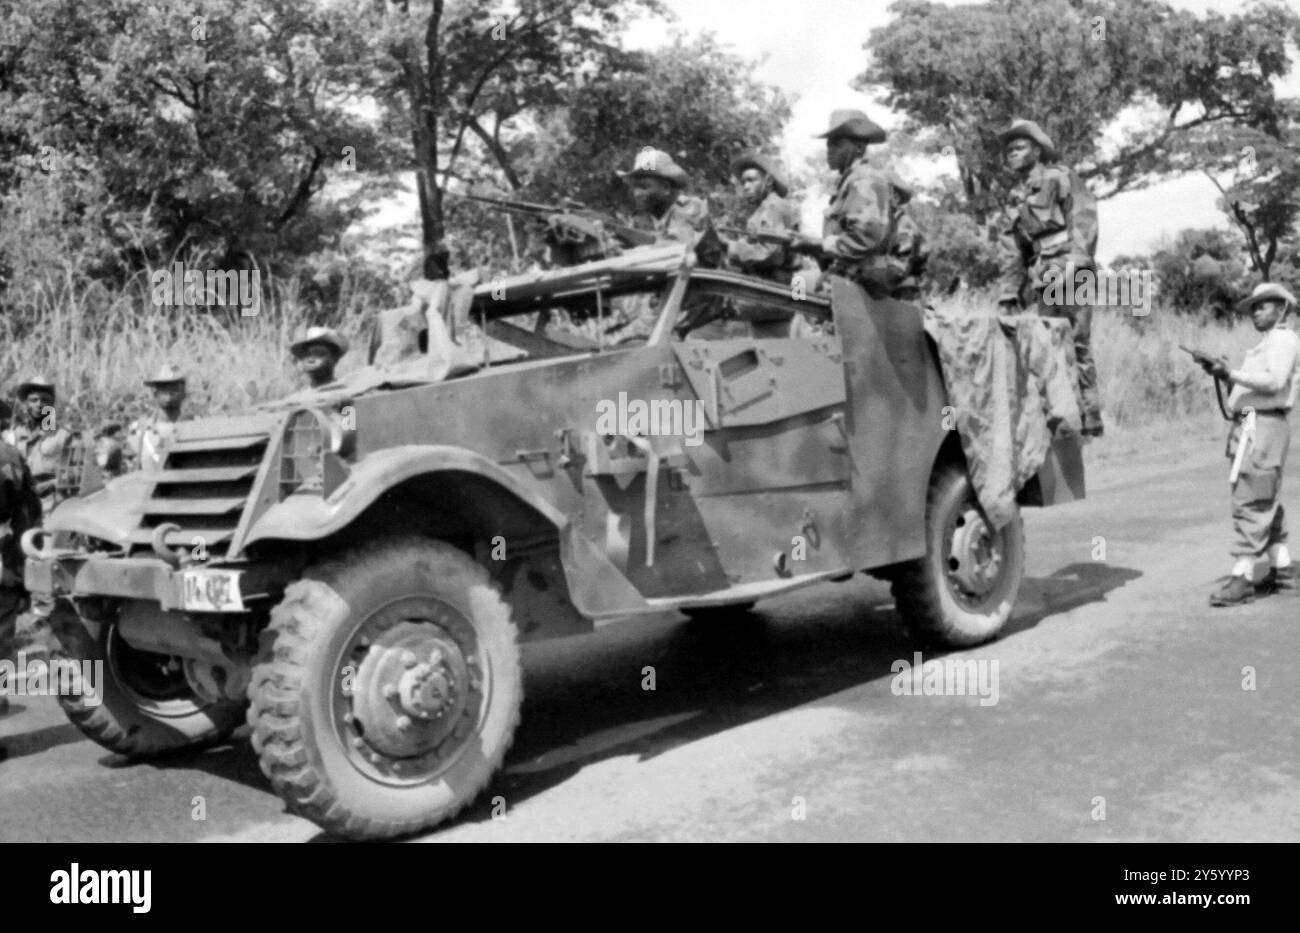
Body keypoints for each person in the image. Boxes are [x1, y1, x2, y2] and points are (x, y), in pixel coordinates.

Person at [996, 119, 1103, 436]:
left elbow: (1084, 218)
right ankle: (1065, 416)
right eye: (1009, 150)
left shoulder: (1060, 176)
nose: (1012, 154)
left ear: (1037, 150)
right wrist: (1008, 294)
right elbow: (1012, 249)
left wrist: (1076, 265)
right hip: (1044, 276)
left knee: (1078, 341)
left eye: (1019, 147)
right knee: (1051, 344)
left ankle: (1090, 415)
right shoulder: (1018, 197)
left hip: (1071, 268)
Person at [1202, 283, 1300, 607]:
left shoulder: (1284, 339)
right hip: (1251, 422)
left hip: (1263, 423)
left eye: (1263, 305)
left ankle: (1242, 576)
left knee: (1252, 496)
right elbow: (1252, 386)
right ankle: (1283, 569)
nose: (1255, 312)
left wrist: (1231, 373)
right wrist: (1223, 374)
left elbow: (1274, 381)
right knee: (1262, 493)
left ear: (1282, 309)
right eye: (1253, 307)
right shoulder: (1267, 343)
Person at [795, 109, 898, 299]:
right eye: (828, 145)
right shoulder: (849, 181)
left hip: (861, 280)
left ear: (859, 147)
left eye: (836, 144)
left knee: (798, 286)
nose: (829, 150)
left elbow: (865, 238)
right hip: (847, 275)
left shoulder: (864, 179)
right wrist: (812, 247)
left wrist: (819, 245)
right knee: (798, 285)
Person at [620, 147, 722, 267]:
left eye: (644, 187)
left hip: (699, 276)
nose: (636, 193)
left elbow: (680, 249)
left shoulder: (692, 208)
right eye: (634, 187)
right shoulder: (640, 219)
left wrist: (635, 252)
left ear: (665, 188)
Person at [725, 151, 800, 282]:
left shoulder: (773, 205)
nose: (746, 187)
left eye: (751, 180)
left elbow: (770, 254)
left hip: (772, 284)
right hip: (765, 281)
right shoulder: (764, 208)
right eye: (743, 182)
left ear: (769, 181)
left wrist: (729, 246)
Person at [3, 376, 72, 515]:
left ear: (51, 405)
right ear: (25, 404)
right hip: (20, 505)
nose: (39, 404)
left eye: (44, 400)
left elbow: (74, 474)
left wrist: (51, 484)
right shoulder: (13, 435)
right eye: (34, 400)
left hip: (51, 503)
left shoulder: (63, 436)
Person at [125, 365, 189, 473]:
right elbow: (132, 470)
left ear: (183, 394)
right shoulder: (139, 430)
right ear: (155, 393)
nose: (168, 394)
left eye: (174, 389)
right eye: (163, 388)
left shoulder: (194, 426)